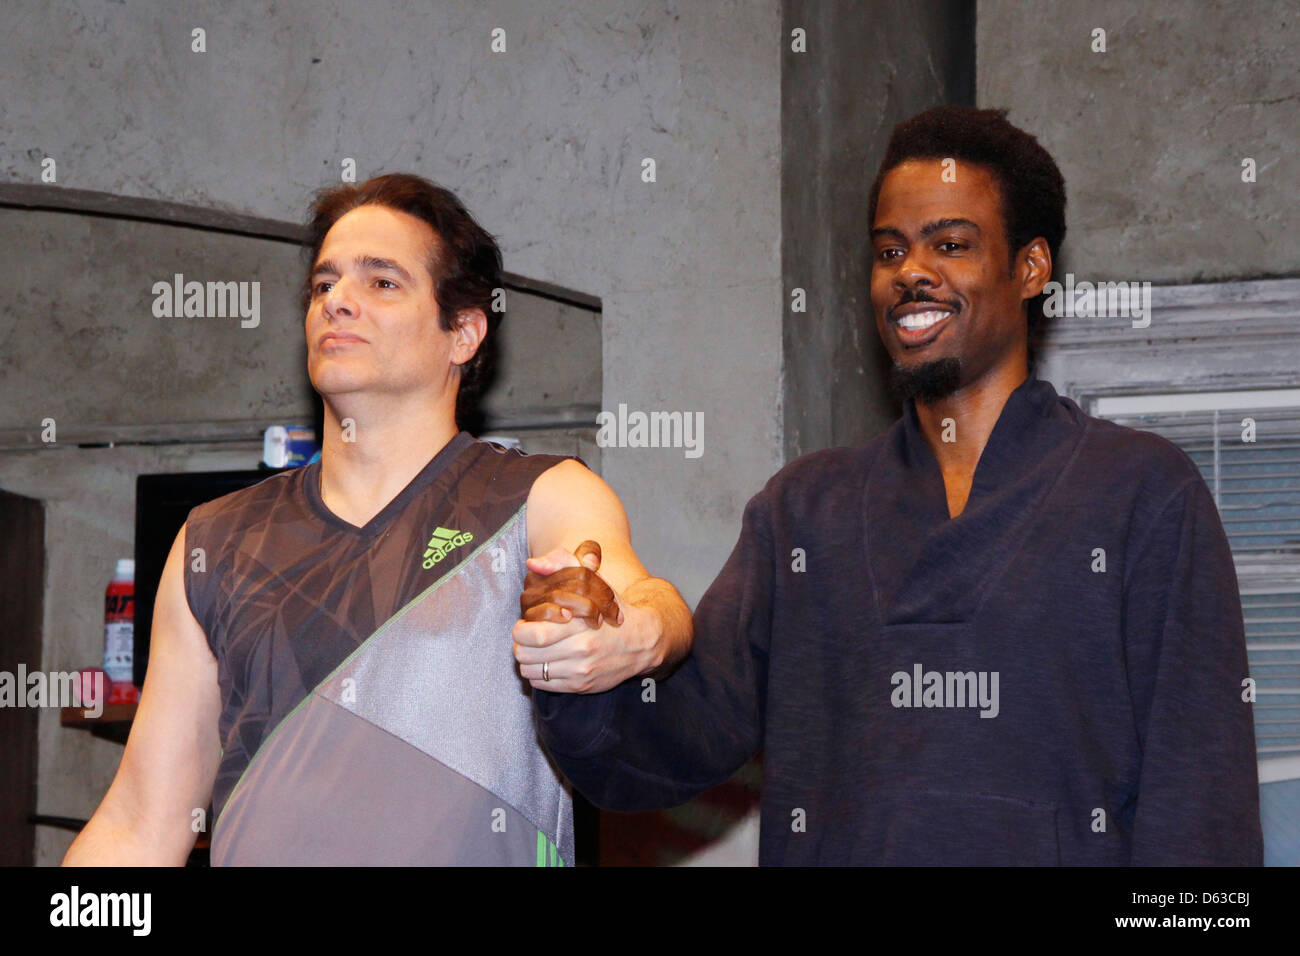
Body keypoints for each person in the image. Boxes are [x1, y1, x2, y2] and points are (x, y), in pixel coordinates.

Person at [524, 107, 1264, 865]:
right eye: (889, 250)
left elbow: (1201, 806)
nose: (911, 271)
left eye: (950, 244)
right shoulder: (804, 513)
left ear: (1031, 268)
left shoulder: (1141, 492)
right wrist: (578, 661)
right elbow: (663, 752)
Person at [63, 173, 691, 866]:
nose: (338, 301)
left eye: (382, 282)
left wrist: (631, 636)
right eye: (323, 284)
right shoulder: (213, 541)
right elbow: (139, 826)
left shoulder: (540, 496)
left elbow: (650, 602)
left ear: (464, 332)